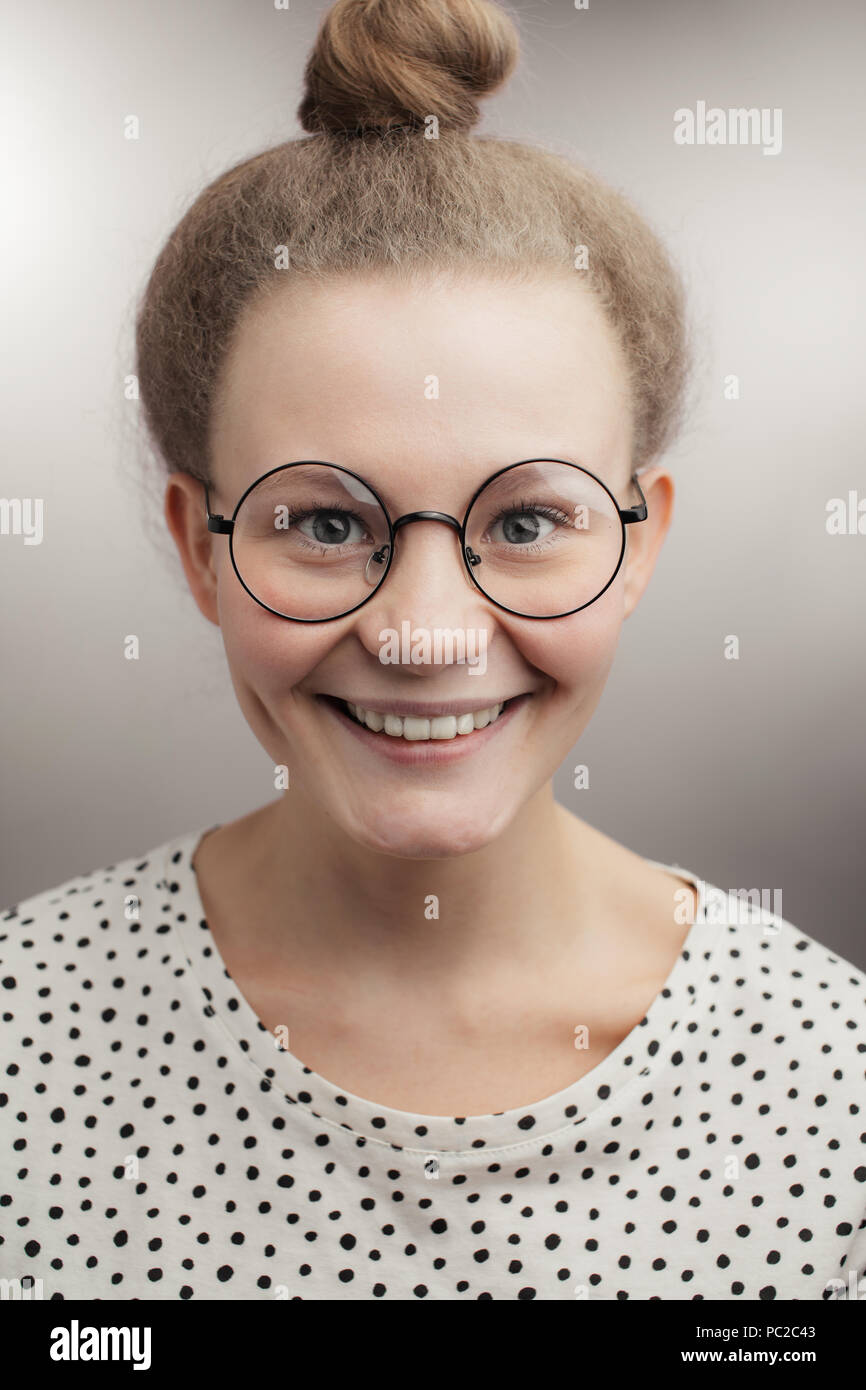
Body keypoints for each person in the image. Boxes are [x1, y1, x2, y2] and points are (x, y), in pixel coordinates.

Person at [2, 0, 864, 1302]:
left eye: (524, 519)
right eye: (324, 522)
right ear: (197, 545)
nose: (420, 630)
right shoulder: (20, 1032)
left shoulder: (830, 1085)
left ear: (636, 542)